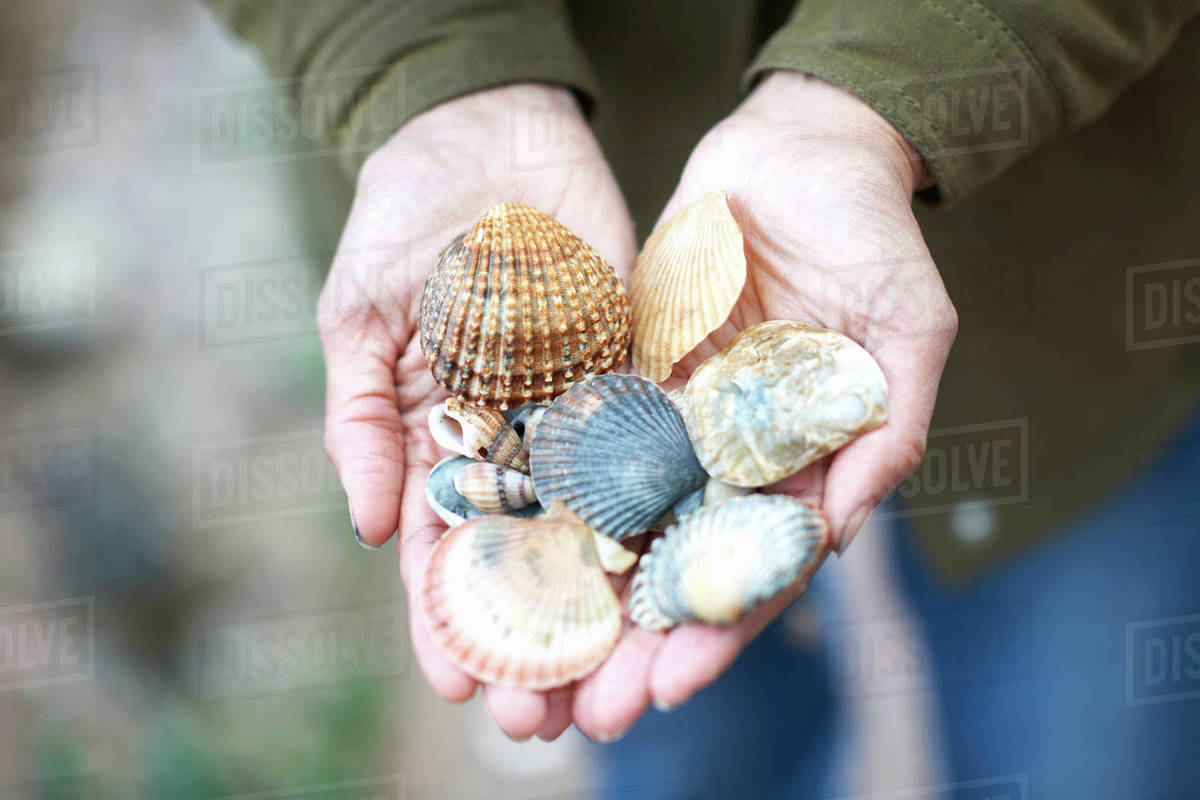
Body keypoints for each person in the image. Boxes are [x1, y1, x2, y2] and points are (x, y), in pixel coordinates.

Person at [210, 1, 1200, 796]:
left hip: (1072, 283)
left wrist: (883, 94)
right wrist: (430, 75)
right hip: (572, 181)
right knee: (695, 752)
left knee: (1094, 751)